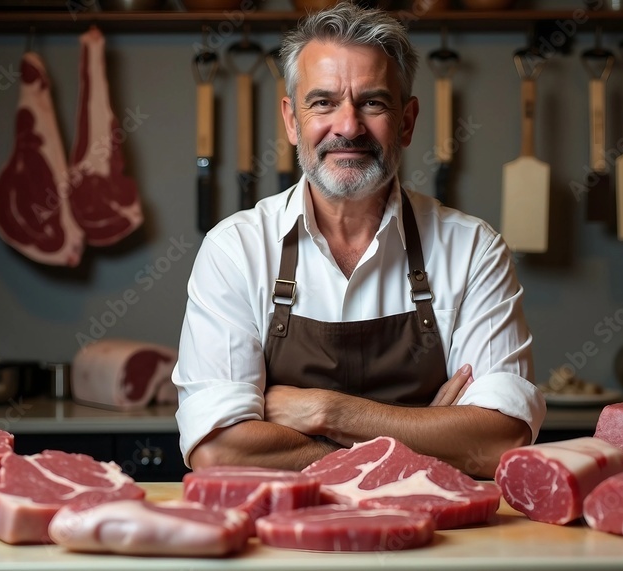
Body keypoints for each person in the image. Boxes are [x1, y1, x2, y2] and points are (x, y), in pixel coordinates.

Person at [172, 2, 544, 479]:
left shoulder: (472, 249)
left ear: (406, 122)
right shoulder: (236, 250)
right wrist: (427, 431)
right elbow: (220, 451)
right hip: (285, 526)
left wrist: (327, 411)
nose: (348, 127)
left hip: (433, 523)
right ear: (292, 121)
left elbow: (499, 440)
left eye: (373, 102)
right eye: (323, 102)